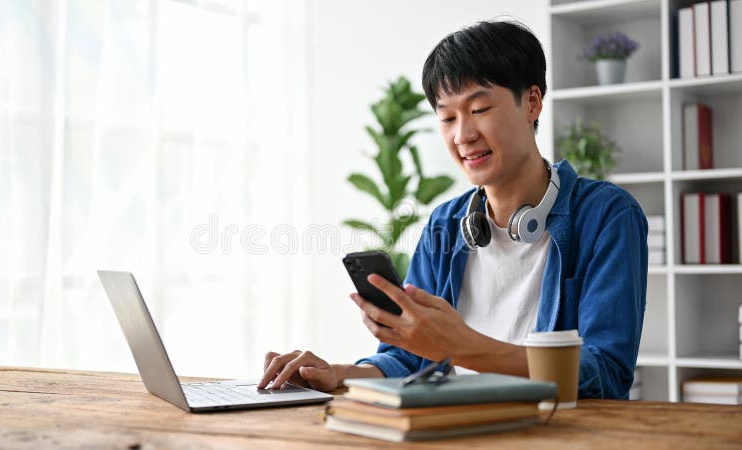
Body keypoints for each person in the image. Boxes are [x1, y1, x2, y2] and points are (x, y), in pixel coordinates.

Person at [257, 21, 647, 399]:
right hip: (454, 429)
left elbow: (606, 373)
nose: (463, 135)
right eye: (447, 117)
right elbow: (409, 360)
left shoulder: (608, 216)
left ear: (532, 101)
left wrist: (463, 346)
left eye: (479, 110)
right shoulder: (445, 224)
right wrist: (339, 374)